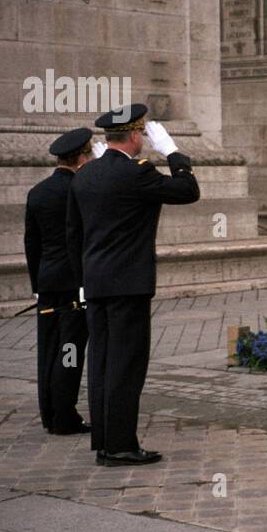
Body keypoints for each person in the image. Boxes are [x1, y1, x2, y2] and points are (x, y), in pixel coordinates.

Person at [67, 105, 201, 465]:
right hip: (128, 284)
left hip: (95, 284)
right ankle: (121, 446)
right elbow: (187, 190)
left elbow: (73, 235)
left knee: (101, 362)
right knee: (126, 365)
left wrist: (83, 284)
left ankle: (104, 441)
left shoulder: (84, 175)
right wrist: (172, 152)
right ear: (136, 136)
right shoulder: (137, 174)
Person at [24, 128, 94, 436]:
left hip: (47, 281)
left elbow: (31, 243)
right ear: (80, 157)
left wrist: (37, 285)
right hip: (74, 283)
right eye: (90, 154)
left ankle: (49, 412)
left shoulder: (37, 192)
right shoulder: (80, 190)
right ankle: (65, 415)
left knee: (49, 348)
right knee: (70, 349)